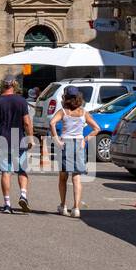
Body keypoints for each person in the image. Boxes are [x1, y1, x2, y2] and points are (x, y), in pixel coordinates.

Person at [48, 87, 99, 218]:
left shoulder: (63, 112)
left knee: (63, 177)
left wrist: (56, 140)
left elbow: (52, 123)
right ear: (78, 98)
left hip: (66, 143)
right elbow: (96, 128)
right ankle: (76, 208)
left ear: (66, 98)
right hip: (79, 144)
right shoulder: (83, 112)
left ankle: (63, 205)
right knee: (76, 178)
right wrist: (85, 140)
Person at [0, 77, 33, 214]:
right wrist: (30, 138)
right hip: (18, 140)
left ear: (3, 86)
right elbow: (26, 122)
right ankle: (23, 195)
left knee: (5, 172)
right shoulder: (21, 101)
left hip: (2, 140)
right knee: (22, 170)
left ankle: (7, 204)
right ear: (14, 85)